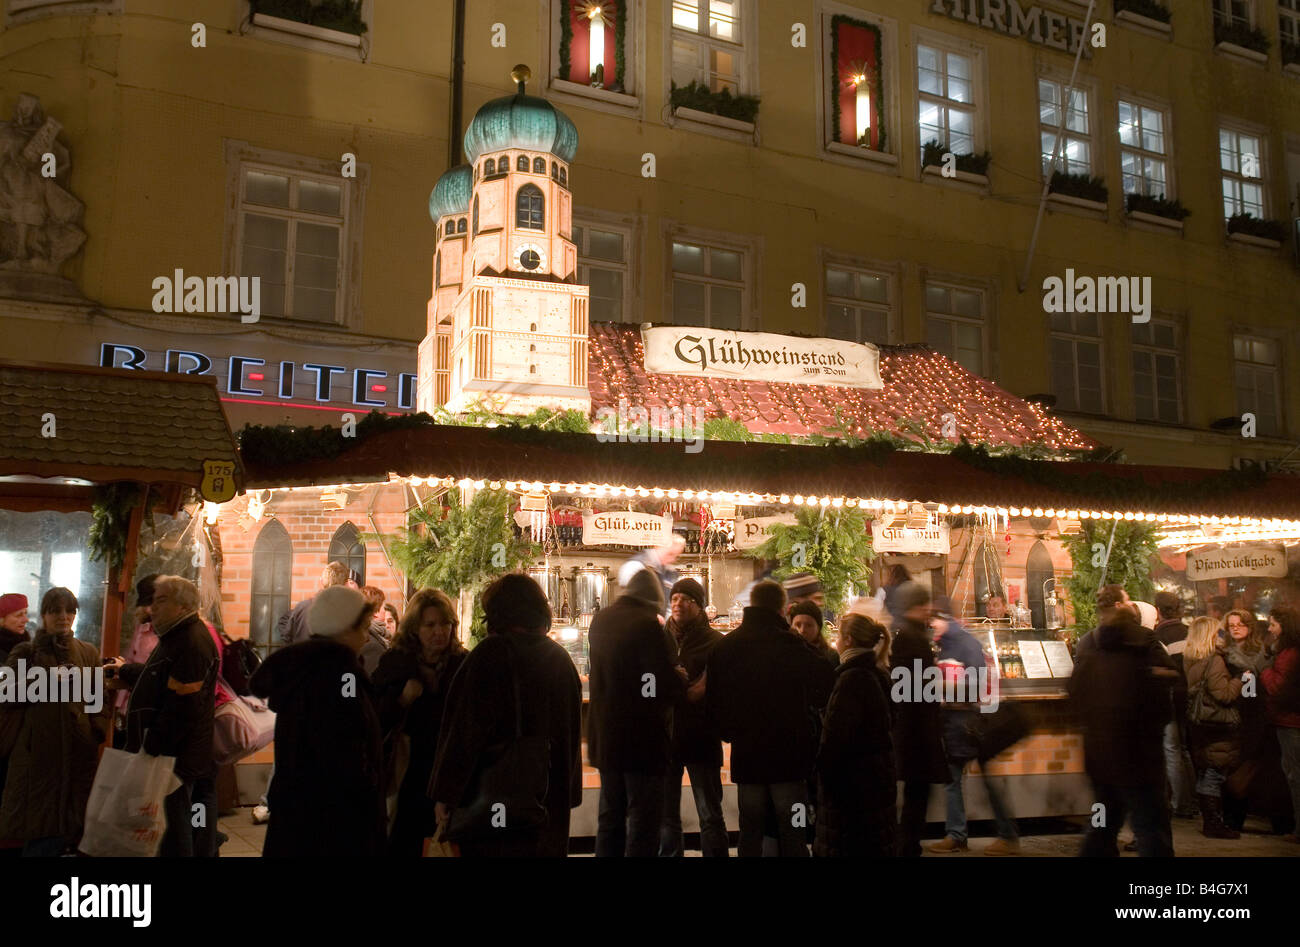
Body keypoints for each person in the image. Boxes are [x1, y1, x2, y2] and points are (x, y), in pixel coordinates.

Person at [431, 573, 583, 857]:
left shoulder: (489, 655)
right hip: (547, 807)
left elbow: (463, 732)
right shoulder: (560, 660)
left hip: (494, 809)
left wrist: (446, 794)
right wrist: (567, 794)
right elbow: (571, 737)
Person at [250, 585, 386, 856]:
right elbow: (347, 753)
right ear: (343, 628)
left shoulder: (303, 669)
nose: (367, 638)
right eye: (362, 628)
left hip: (298, 815)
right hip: (334, 822)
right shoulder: (338, 675)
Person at [706, 580, 833, 857]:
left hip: (748, 754)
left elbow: (714, 701)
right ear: (782, 608)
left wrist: (729, 732)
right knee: (793, 829)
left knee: (750, 829)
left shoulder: (727, 647)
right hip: (790, 756)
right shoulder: (793, 646)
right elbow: (824, 685)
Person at [111, 576, 220, 857]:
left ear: (182, 605)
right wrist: (124, 671)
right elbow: (157, 676)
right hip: (169, 755)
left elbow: (183, 707)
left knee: (173, 832)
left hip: (174, 758)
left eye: (160, 600)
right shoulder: (175, 635)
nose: (152, 608)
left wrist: (152, 746)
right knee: (166, 830)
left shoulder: (191, 641)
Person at [0, 588, 111, 857]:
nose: (63, 617)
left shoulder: (86, 651)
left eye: (69, 610)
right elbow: (6, 694)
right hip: (37, 755)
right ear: (45, 614)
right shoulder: (26, 651)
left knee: (71, 824)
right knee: (39, 826)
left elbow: (99, 700)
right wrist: (47, 680)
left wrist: (95, 731)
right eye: (55, 610)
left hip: (77, 753)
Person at [1070, 593, 1177, 856]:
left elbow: (1074, 692)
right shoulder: (1146, 645)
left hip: (1100, 754)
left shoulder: (1090, 645)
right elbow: (1163, 696)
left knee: (1103, 823)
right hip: (1140, 754)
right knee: (1151, 825)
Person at [587, 569, 684, 857]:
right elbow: (653, 684)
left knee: (610, 818)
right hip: (640, 741)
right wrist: (677, 679)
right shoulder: (645, 625)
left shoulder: (601, 619)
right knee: (643, 821)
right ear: (654, 599)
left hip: (605, 737)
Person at [371, 589, 467, 857]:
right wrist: (402, 699)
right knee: (406, 840)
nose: (439, 631)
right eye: (430, 625)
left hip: (449, 768)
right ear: (415, 629)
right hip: (408, 769)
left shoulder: (462, 664)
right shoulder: (395, 664)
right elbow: (375, 718)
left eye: (445, 623)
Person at [928, 597, 1020, 855]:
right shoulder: (945, 645)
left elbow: (977, 685)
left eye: (935, 619)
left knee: (978, 780)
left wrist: (941, 687)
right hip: (958, 723)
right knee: (957, 779)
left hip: (971, 723)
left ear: (945, 618)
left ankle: (1003, 836)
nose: (932, 624)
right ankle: (962, 834)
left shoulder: (965, 643)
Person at [814, 613, 897, 857]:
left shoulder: (852, 679)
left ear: (848, 640)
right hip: (875, 785)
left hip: (851, 790)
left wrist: (820, 774)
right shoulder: (878, 673)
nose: (835, 642)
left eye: (838, 636)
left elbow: (836, 739)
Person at [659, 577, 727, 858]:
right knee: (666, 815)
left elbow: (724, 688)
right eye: (674, 599)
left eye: (685, 599)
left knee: (709, 812)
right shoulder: (659, 639)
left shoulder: (716, 642)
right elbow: (645, 682)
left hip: (702, 736)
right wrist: (673, 683)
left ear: (699, 606)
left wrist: (706, 687)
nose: (677, 604)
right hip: (665, 738)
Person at [888, 580, 949, 857]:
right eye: (923, 604)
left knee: (914, 795)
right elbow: (917, 694)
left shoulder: (905, 637)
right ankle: (908, 848)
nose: (928, 609)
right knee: (916, 796)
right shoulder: (913, 640)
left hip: (909, 732)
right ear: (914, 606)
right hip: (916, 735)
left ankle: (907, 845)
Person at [1183, 615, 1243, 840]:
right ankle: (1213, 823)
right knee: (1214, 772)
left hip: (1200, 722)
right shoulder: (1214, 659)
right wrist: (1240, 680)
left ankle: (1211, 820)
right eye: (1218, 632)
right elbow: (1224, 694)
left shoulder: (1191, 657)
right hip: (1217, 721)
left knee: (1206, 768)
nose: (1222, 635)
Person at [1153, 591, 1197, 819]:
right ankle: (1193, 800)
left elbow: (1164, 668)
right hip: (1188, 695)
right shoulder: (1189, 632)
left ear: (1158, 610)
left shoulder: (1159, 635)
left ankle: (1180, 803)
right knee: (1184, 749)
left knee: (1171, 749)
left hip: (1170, 696)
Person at [1261, 607, 1300, 843]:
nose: (1269, 628)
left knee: (1295, 776)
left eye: (1273, 624)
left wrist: (1265, 672)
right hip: (1290, 720)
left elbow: (1277, 687)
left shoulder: (1289, 655)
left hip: (1290, 722)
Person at [277, 560, 350, 647]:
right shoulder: (347, 614)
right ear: (346, 584)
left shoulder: (302, 607)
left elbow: (287, 637)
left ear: (322, 581)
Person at [617, 533, 686, 616]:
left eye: (676, 556)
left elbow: (669, 605)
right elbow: (627, 603)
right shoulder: (635, 566)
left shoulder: (671, 572)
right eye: (670, 554)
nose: (672, 559)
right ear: (658, 546)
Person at [789, 600, 839, 668]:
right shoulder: (786, 655)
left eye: (809, 625)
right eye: (798, 625)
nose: (802, 630)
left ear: (818, 628)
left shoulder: (830, 657)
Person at [357, 585, 390, 676]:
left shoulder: (375, 637)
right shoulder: (371, 645)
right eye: (384, 607)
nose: (385, 611)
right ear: (376, 612)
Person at [0, 593, 29, 662]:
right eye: (19, 615)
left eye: (26, 613)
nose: (26, 620)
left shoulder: (30, 646)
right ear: (2, 619)